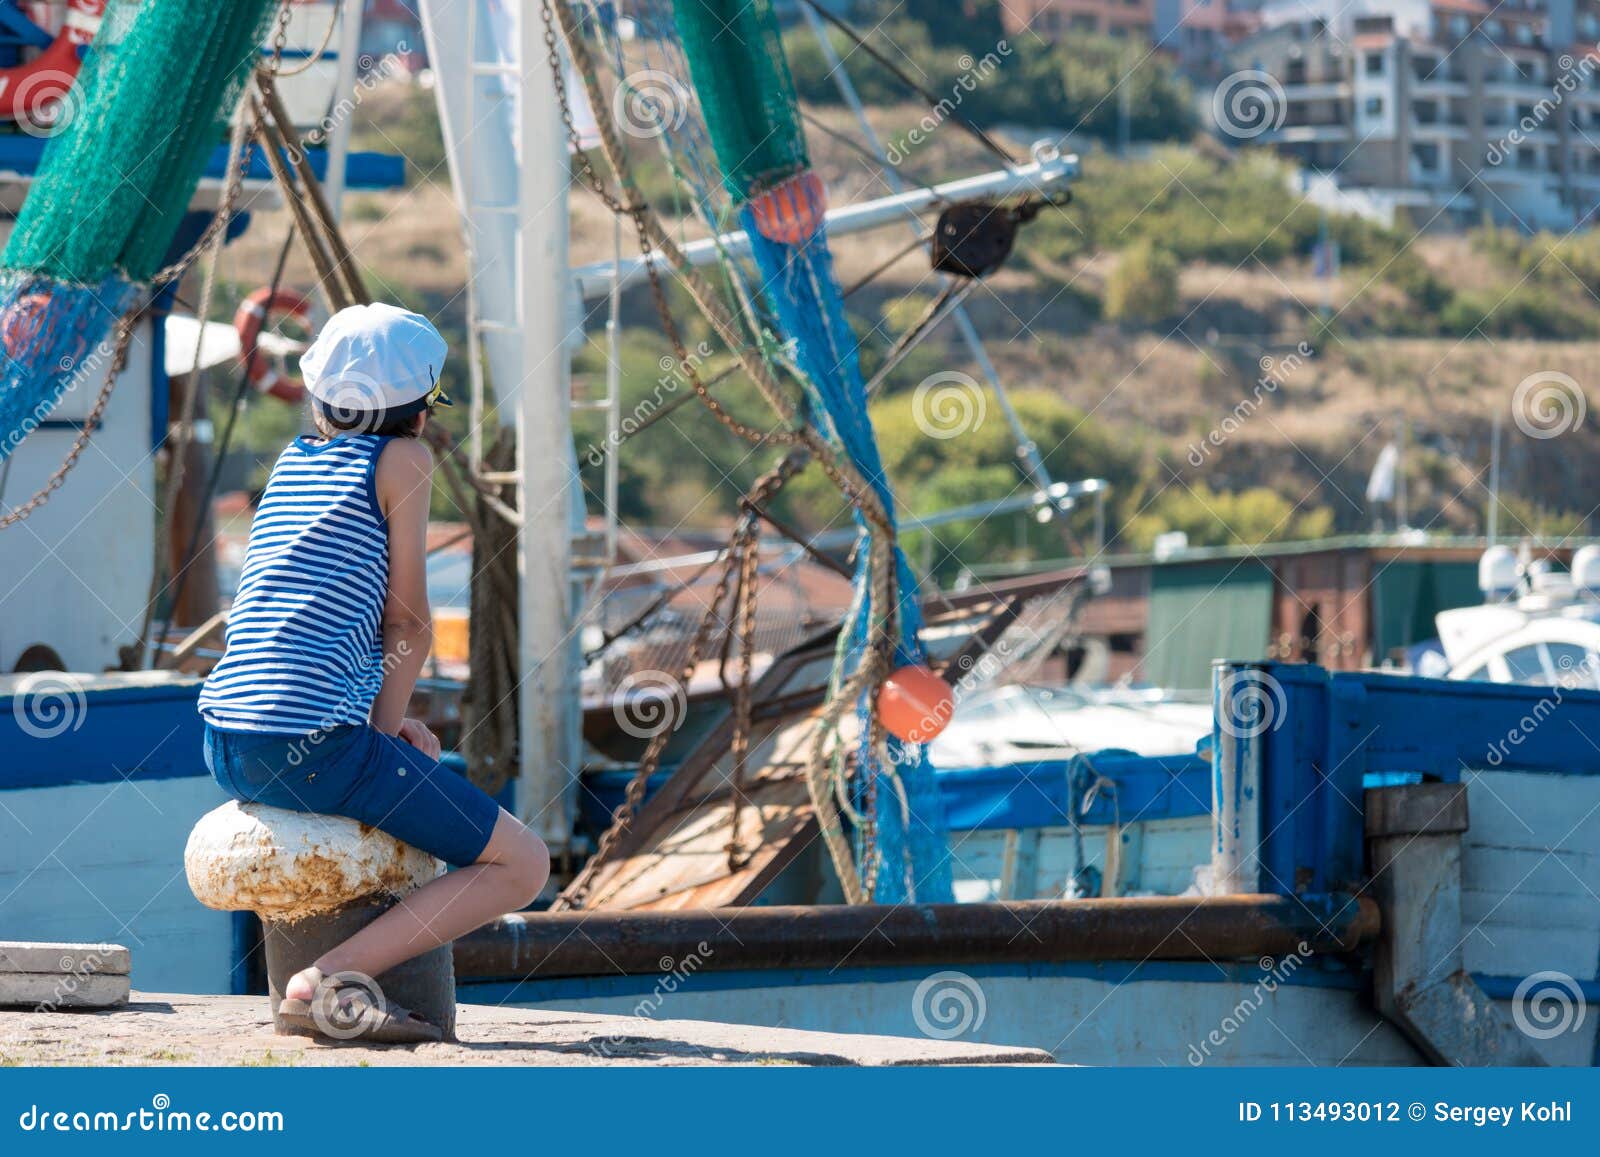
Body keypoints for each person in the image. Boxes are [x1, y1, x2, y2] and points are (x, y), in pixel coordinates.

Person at [197, 303, 549, 1043]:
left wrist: (374, 728)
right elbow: (410, 623)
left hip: (225, 738)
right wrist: (381, 738)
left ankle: (324, 976)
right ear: (420, 413)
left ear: (319, 398)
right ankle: (322, 980)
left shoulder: (296, 461)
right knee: (522, 863)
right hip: (313, 746)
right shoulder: (405, 461)